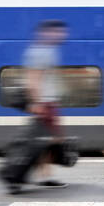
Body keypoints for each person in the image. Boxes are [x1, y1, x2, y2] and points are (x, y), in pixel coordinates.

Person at [20, 19, 68, 192]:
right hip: (45, 103)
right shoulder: (41, 52)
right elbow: (33, 79)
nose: (62, 35)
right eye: (58, 32)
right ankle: (41, 174)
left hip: (48, 102)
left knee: (47, 140)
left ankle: (44, 175)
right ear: (47, 32)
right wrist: (37, 103)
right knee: (50, 140)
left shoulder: (47, 51)